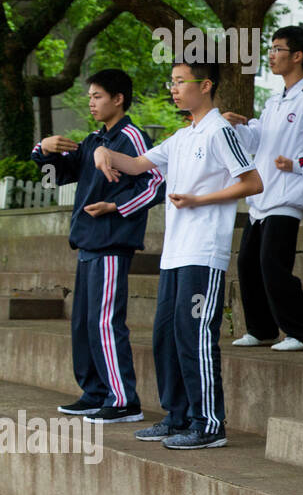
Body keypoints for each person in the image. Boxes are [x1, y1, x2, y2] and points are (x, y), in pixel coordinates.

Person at [94, 60, 263, 449]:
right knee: (166, 336)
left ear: (205, 86)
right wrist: (103, 150)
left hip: (203, 252)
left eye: (180, 81)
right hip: (174, 254)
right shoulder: (182, 136)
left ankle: (209, 424)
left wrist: (200, 200)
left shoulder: (220, 131)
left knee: (194, 336)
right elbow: (136, 164)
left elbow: (253, 182)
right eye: (171, 82)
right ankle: (177, 417)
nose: (173, 88)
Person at [31, 68, 164, 423]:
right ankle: (94, 393)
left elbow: (156, 183)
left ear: (118, 99)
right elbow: (56, 176)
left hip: (111, 244)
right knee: (83, 324)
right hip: (88, 244)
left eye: (97, 96)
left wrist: (116, 207)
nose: (91, 103)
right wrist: (42, 149)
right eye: (89, 96)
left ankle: (123, 400)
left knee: (105, 322)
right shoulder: (92, 140)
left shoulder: (132, 137)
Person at [223, 26, 303, 351]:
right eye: (271, 48)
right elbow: (257, 142)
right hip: (263, 196)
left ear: (297, 56)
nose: (271, 55)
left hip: (288, 195)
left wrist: (297, 163)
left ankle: (302, 333)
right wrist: (238, 127)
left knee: (273, 264)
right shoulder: (274, 100)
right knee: (247, 264)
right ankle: (261, 330)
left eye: (278, 49)